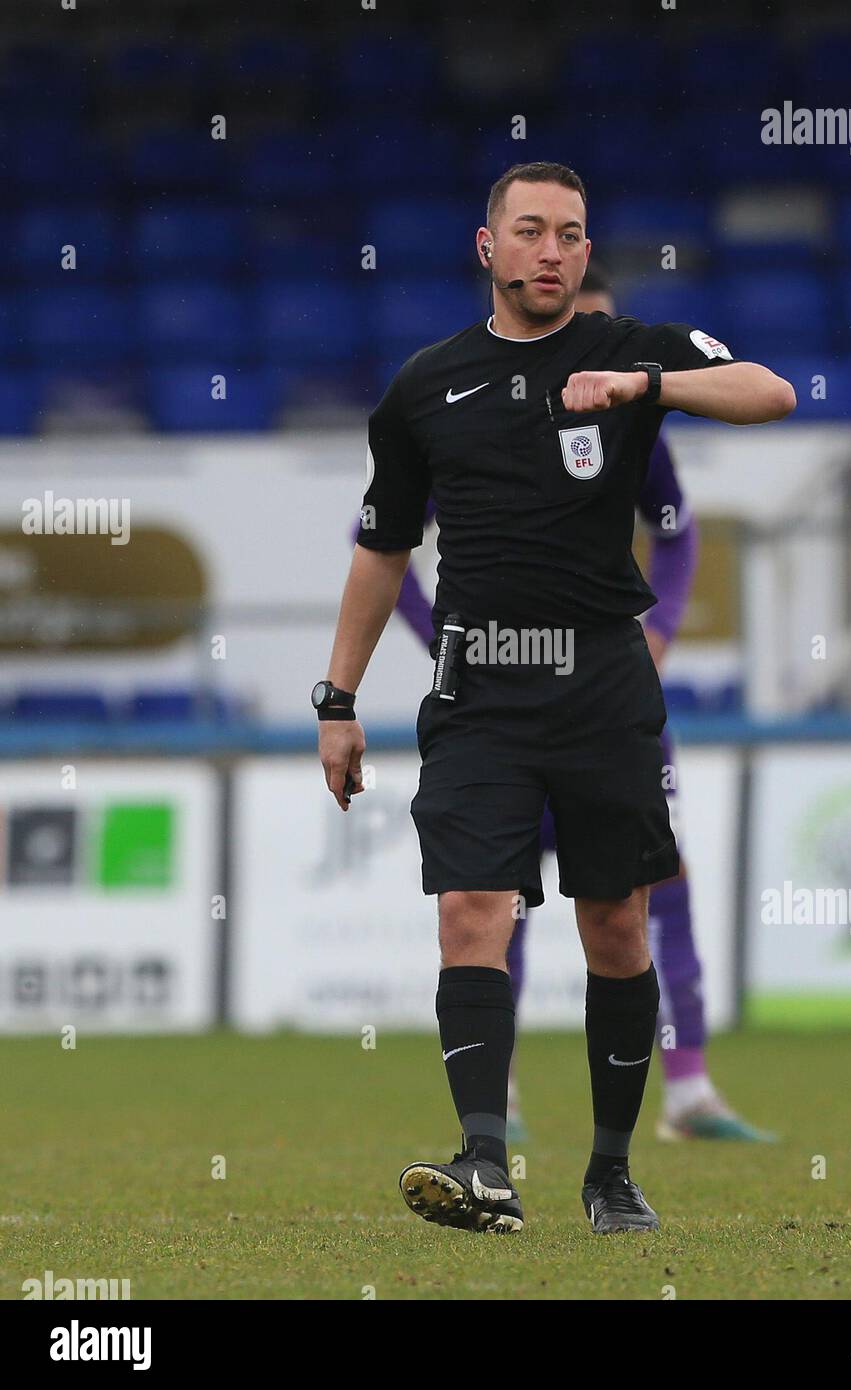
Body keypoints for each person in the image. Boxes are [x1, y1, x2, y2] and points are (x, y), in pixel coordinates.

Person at [317, 162, 794, 1235]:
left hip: (600, 684)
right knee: (470, 912)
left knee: (614, 924)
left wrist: (648, 388)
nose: (548, 250)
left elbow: (771, 392)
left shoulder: (628, 354)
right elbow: (381, 550)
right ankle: (484, 1159)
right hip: (478, 687)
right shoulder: (422, 388)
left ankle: (611, 1171)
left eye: (568, 234)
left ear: (584, 254)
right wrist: (335, 699)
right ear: (485, 248)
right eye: (526, 231)